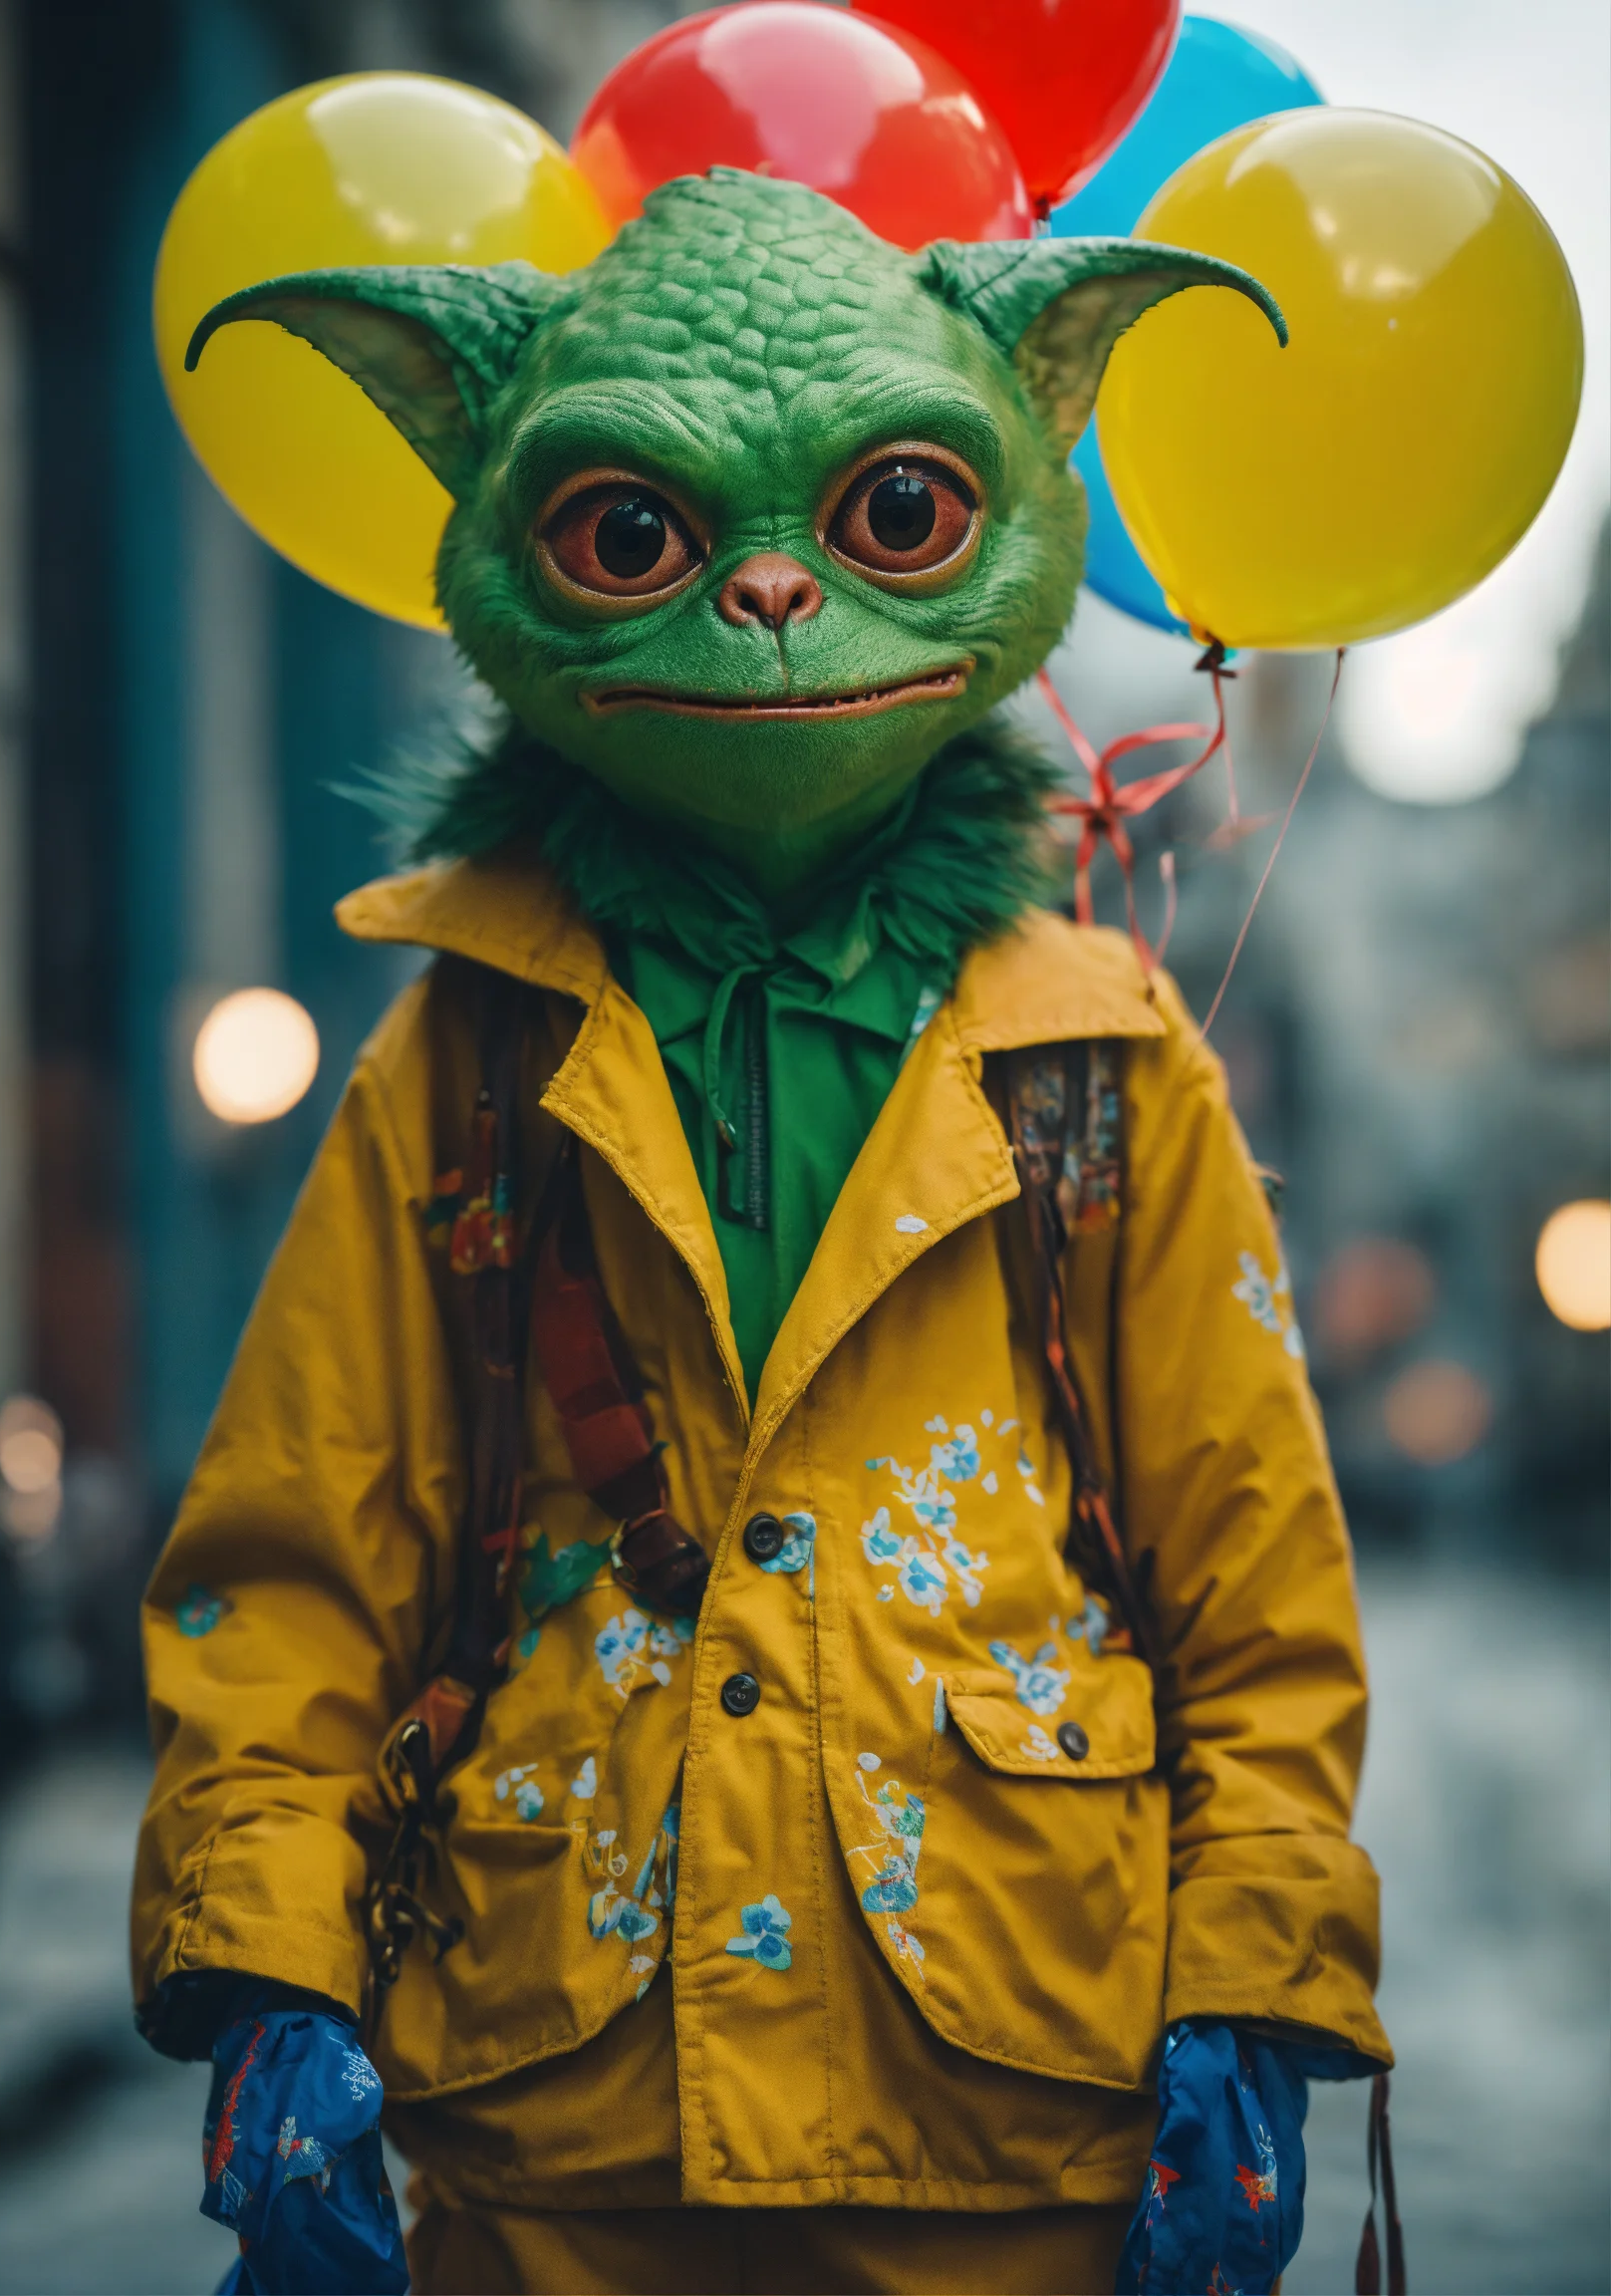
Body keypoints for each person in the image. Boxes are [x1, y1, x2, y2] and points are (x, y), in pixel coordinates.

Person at [133, 171, 1389, 2296]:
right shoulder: (469, 1052)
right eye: (631, 532)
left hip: (1013, 2112)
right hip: (571, 2134)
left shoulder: (1096, 1057)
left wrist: (1253, 1981)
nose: (782, 592)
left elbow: (1251, 1581)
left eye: (895, 512)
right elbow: (299, 1562)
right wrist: (267, 1964)